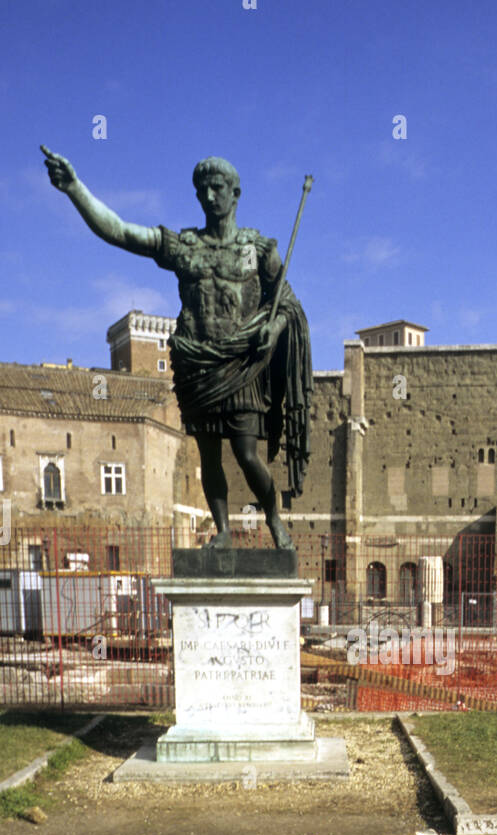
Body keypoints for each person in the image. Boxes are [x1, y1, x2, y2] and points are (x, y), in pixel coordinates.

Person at [41, 147, 312, 551]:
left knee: (246, 454)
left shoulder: (258, 249)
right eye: (201, 189)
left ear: (235, 193)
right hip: (198, 367)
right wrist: (75, 189)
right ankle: (221, 531)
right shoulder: (185, 246)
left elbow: (288, 303)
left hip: (242, 365)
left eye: (217, 188)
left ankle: (273, 516)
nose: (208, 196)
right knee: (208, 454)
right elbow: (120, 231)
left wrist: (272, 329)